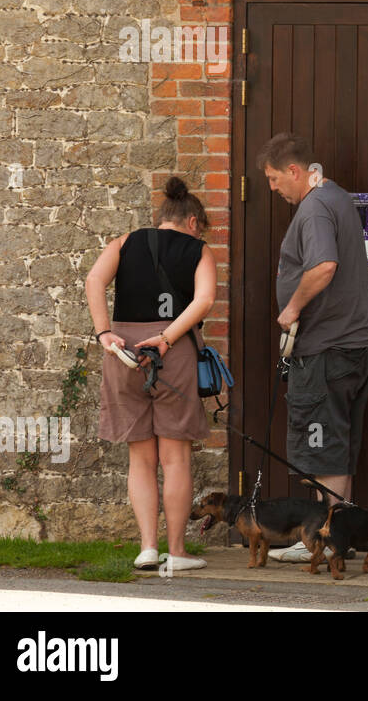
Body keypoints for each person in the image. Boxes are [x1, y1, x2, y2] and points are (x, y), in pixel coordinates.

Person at [258, 133, 368, 562]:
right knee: (339, 446)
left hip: (329, 350)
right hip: (357, 345)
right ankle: (334, 538)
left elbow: (325, 265)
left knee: (323, 446)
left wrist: (291, 308)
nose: (272, 188)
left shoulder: (313, 209)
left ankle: (322, 541)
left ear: (294, 171)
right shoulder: (337, 196)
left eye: (274, 179)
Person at [85, 176, 216, 572]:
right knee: (175, 458)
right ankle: (175, 553)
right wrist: (169, 336)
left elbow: (93, 280)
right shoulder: (199, 250)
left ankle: (146, 547)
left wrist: (105, 332)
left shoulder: (125, 242)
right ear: (193, 222)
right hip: (170, 352)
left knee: (140, 457)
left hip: (122, 351)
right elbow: (205, 299)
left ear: (161, 218)